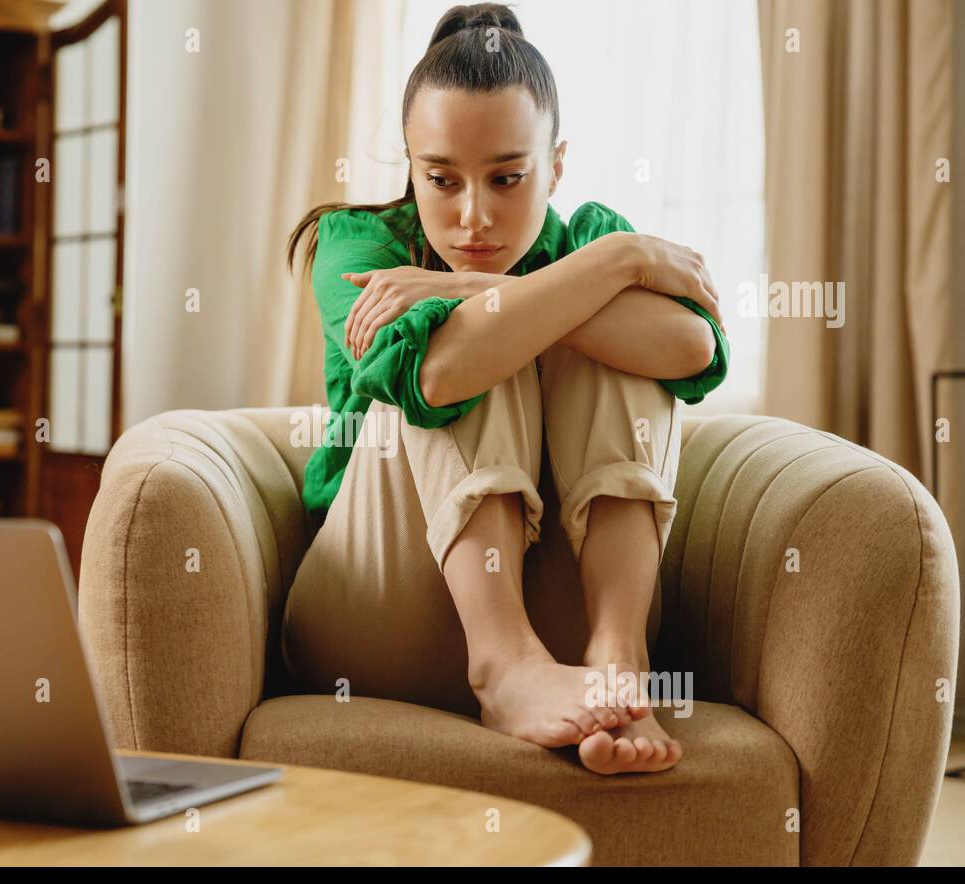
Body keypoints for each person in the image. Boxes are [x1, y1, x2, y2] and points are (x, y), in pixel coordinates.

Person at [282, 3, 729, 774]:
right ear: (411, 164)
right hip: (378, 614)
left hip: (565, 611)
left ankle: (621, 656)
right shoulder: (356, 246)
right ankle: (501, 664)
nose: (473, 217)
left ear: (556, 166)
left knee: (577, 332)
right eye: (442, 179)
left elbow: (689, 347)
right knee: (471, 340)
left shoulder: (585, 240)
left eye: (509, 177)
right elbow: (437, 376)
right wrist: (614, 264)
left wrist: (542, 275)